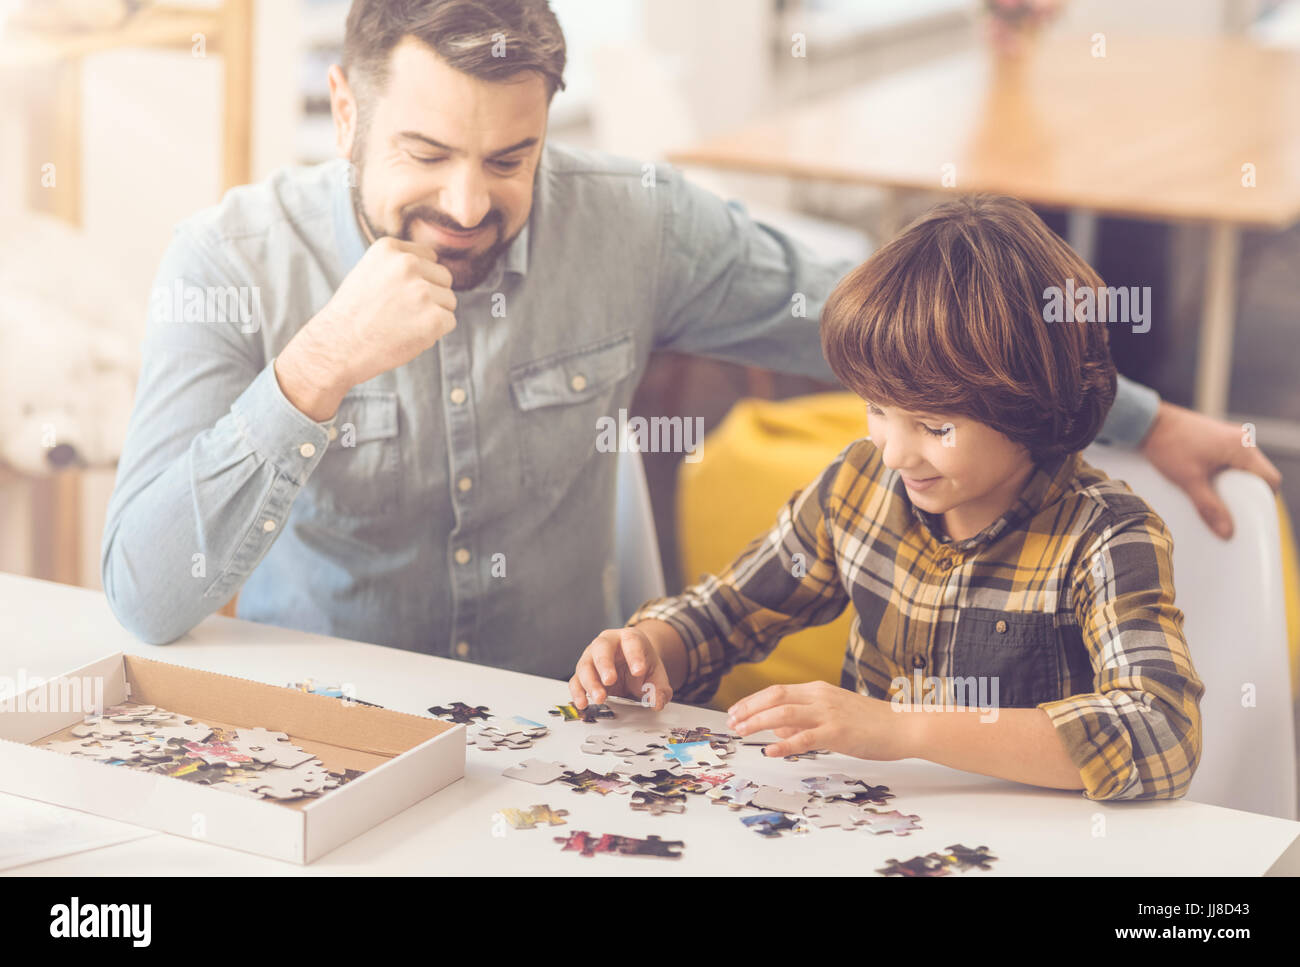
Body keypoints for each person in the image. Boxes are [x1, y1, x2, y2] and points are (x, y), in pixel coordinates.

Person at [103, 0, 1277, 687]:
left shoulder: (637, 223)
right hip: (330, 718)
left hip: (561, 724)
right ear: (346, 114)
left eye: (509, 159)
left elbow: (897, 328)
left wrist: (1145, 414)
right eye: (425, 154)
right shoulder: (230, 261)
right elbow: (146, 595)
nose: (467, 204)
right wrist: (313, 371)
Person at [571, 195, 1203, 801]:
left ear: (1032, 409)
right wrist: (649, 647)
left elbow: (1159, 731)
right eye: (877, 408)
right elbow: (728, 613)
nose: (895, 452)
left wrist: (903, 727)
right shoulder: (860, 482)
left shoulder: (1109, 537)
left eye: (934, 427)